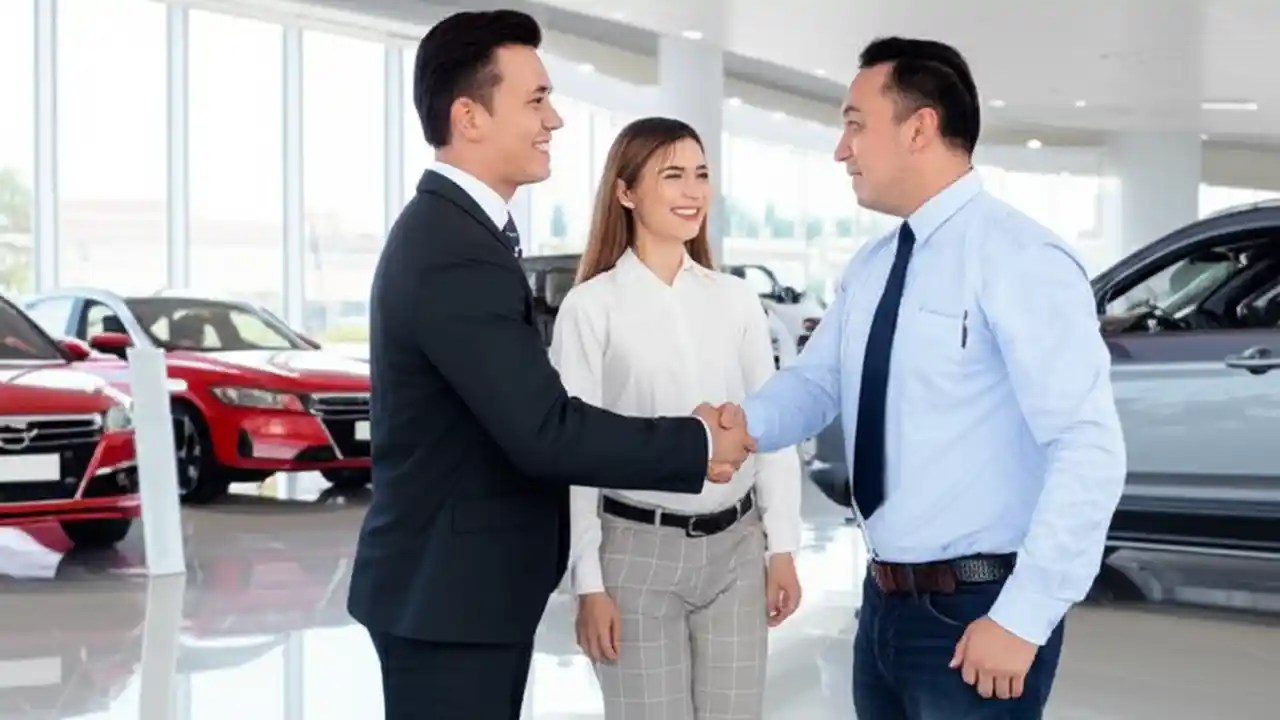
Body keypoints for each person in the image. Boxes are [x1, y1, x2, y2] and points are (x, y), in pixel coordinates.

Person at [347, 11, 756, 720]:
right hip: (449, 599)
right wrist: (695, 443)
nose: (554, 120)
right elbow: (543, 430)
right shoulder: (452, 249)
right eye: (536, 100)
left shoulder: (461, 234)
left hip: (460, 594)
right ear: (469, 117)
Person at [718, 36, 1126, 718]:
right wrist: (738, 427)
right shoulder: (873, 266)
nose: (841, 150)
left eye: (855, 125)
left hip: (979, 612)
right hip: (883, 605)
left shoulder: (1021, 258)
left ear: (919, 128)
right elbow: (818, 383)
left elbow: (1088, 445)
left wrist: (1023, 618)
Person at [550, 117, 804, 720]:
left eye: (701, 174)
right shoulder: (590, 307)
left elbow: (769, 426)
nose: (693, 191)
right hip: (635, 555)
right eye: (673, 176)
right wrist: (588, 583)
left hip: (737, 551)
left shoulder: (735, 298)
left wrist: (783, 547)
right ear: (626, 191)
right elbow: (573, 454)